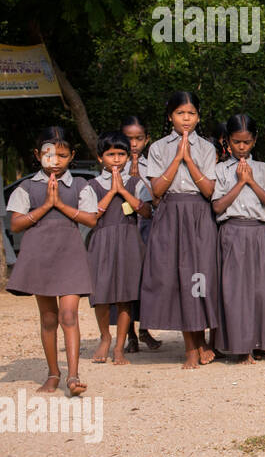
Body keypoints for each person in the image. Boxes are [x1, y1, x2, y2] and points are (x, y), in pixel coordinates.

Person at [6, 126, 99, 395]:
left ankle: (73, 375)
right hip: (39, 256)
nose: (55, 161)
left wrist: (60, 204)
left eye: (62, 155)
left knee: (68, 315)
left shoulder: (80, 185)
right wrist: (46, 205)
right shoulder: (27, 187)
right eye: (48, 155)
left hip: (69, 255)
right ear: (37, 155)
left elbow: (91, 218)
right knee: (48, 318)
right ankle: (52, 374)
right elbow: (16, 224)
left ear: (71, 156)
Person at [139, 91, 221, 369]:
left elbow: (210, 191)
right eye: (180, 113)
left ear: (199, 116)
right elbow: (158, 191)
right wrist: (178, 158)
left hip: (199, 214)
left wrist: (190, 160)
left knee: (199, 278)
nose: (186, 119)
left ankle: (200, 341)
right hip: (171, 215)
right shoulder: (159, 148)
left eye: (192, 114)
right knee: (176, 276)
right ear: (170, 116)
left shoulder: (208, 148)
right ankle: (190, 348)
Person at [211, 114, 265, 364]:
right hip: (232, 232)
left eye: (246, 142)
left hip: (257, 233)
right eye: (236, 142)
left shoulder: (264, 169)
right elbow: (217, 206)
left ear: (254, 141)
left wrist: (251, 181)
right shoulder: (220, 170)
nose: (241, 147)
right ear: (228, 142)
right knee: (236, 290)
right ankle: (240, 345)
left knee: (260, 289)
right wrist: (239, 182)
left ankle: (259, 342)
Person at [87, 131, 153, 366]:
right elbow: (91, 217)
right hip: (102, 241)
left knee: (126, 295)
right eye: (110, 154)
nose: (116, 159)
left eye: (121, 154)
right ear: (100, 158)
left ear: (127, 156)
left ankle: (119, 346)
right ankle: (105, 336)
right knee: (101, 294)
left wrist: (123, 190)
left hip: (128, 240)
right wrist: (112, 192)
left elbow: (146, 211)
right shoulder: (92, 185)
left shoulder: (136, 183)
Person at [120, 114, 161, 352]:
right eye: (128, 139)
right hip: (124, 227)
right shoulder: (114, 164)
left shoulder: (152, 165)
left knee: (146, 280)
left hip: (147, 228)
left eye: (138, 139)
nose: (133, 144)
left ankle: (145, 328)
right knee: (126, 282)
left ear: (147, 140)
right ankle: (130, 335)